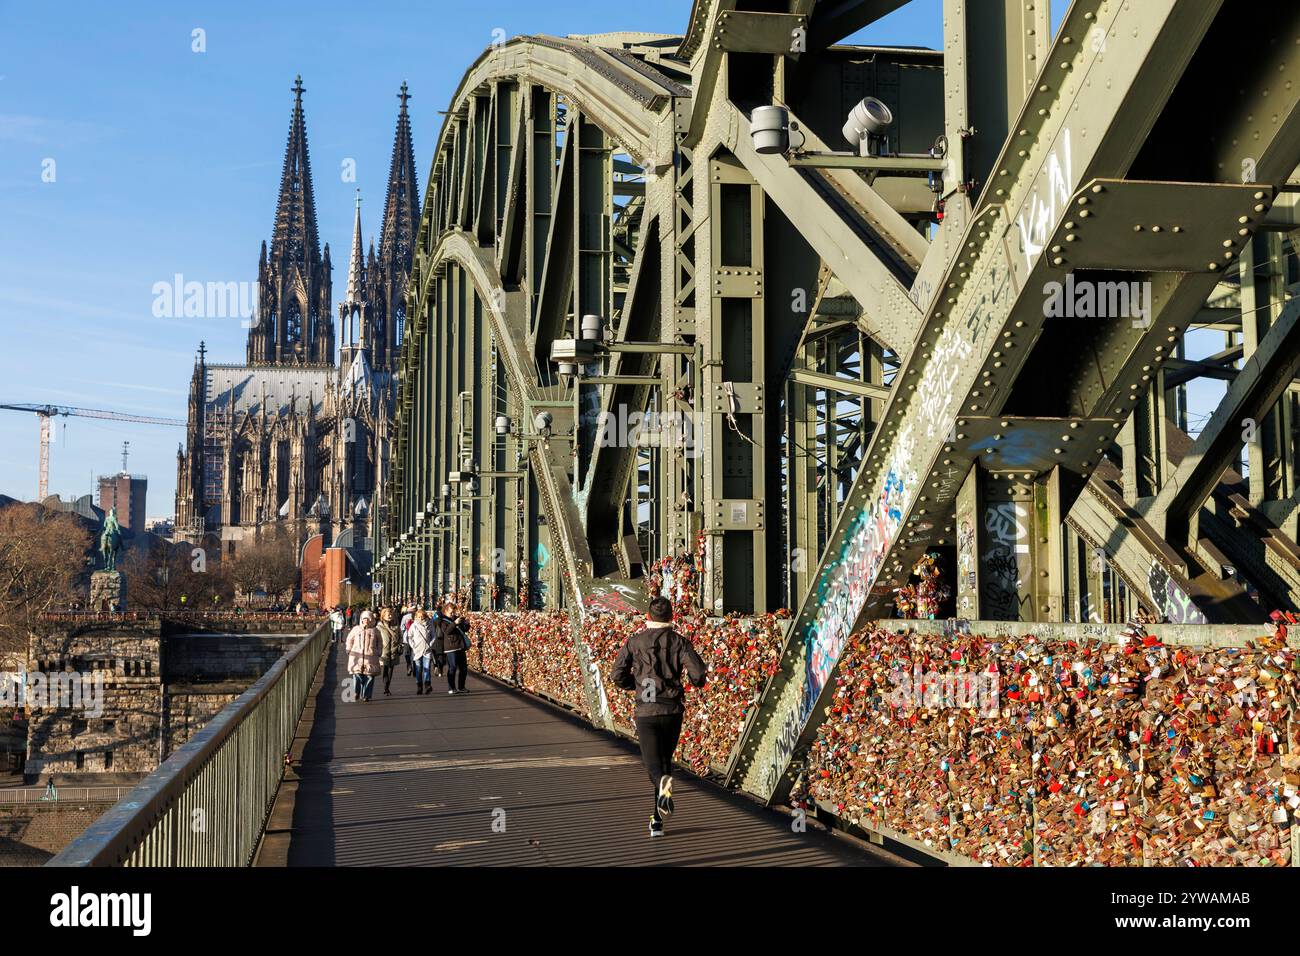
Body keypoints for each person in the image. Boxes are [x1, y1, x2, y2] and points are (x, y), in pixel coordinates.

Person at [611, 595, 707, 838]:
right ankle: (656, 821)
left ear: (648, 617)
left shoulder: (634, 642)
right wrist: (696, 682)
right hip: (672, 711)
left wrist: (635, 686)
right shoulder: (680, 642)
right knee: (665, 762)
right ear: (672, 617)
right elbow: (698, 674)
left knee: (654, 766)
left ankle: (660, 804)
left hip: (646, 710)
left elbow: (617, 674)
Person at [433, 601, 472, 695]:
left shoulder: (456, 618)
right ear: (445, 611)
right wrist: (454, 623)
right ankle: (451, 687)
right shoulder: (442, 620)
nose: (453, 614)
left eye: (454, 612)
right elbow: (446, 631)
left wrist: (466, 624)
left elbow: (464, 629)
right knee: (452, 668)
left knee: (463, 668)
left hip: (460, 646)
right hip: (450, 647)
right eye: (451, 612)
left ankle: (461, 687)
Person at [345, 610, 383, 703]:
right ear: (361, 619)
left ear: (371, 620)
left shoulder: (375, 630)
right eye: (364, 618)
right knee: (357, 675)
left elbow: (380, 642)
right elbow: (349, 639)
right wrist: (348, 649)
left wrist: (378, 651)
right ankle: (356, 692)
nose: (366, 620)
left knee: (370, 676)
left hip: (371, 656)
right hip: (356, 656)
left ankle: (366, 695)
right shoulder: (356, 629)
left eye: (368, 619)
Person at [407, 609, 434, 695]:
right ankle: (419, 686)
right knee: (419, 670)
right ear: (416, 617)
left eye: (422, 616)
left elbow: (434, 636)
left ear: (425, 616)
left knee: (427, 669)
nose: (421, 618)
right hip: (417, 651)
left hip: (427, 650)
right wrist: (413, 646)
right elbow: (409, 636)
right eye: (419, 616)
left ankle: (427, 685)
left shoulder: (430, 624)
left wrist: (430, 644)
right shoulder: (413, 626)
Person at [377, 606, 401, 697]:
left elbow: (400, 636)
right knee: (386, 669)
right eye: (388, 614)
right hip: (384, 651)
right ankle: (386, 687)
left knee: (391, 670)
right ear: (383, 616)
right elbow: (377, 638)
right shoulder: (379, 627)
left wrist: (400, 644)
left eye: (391, 614)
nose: (390, 616)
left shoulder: (396, 625)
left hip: (394, 651)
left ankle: (387, 686)